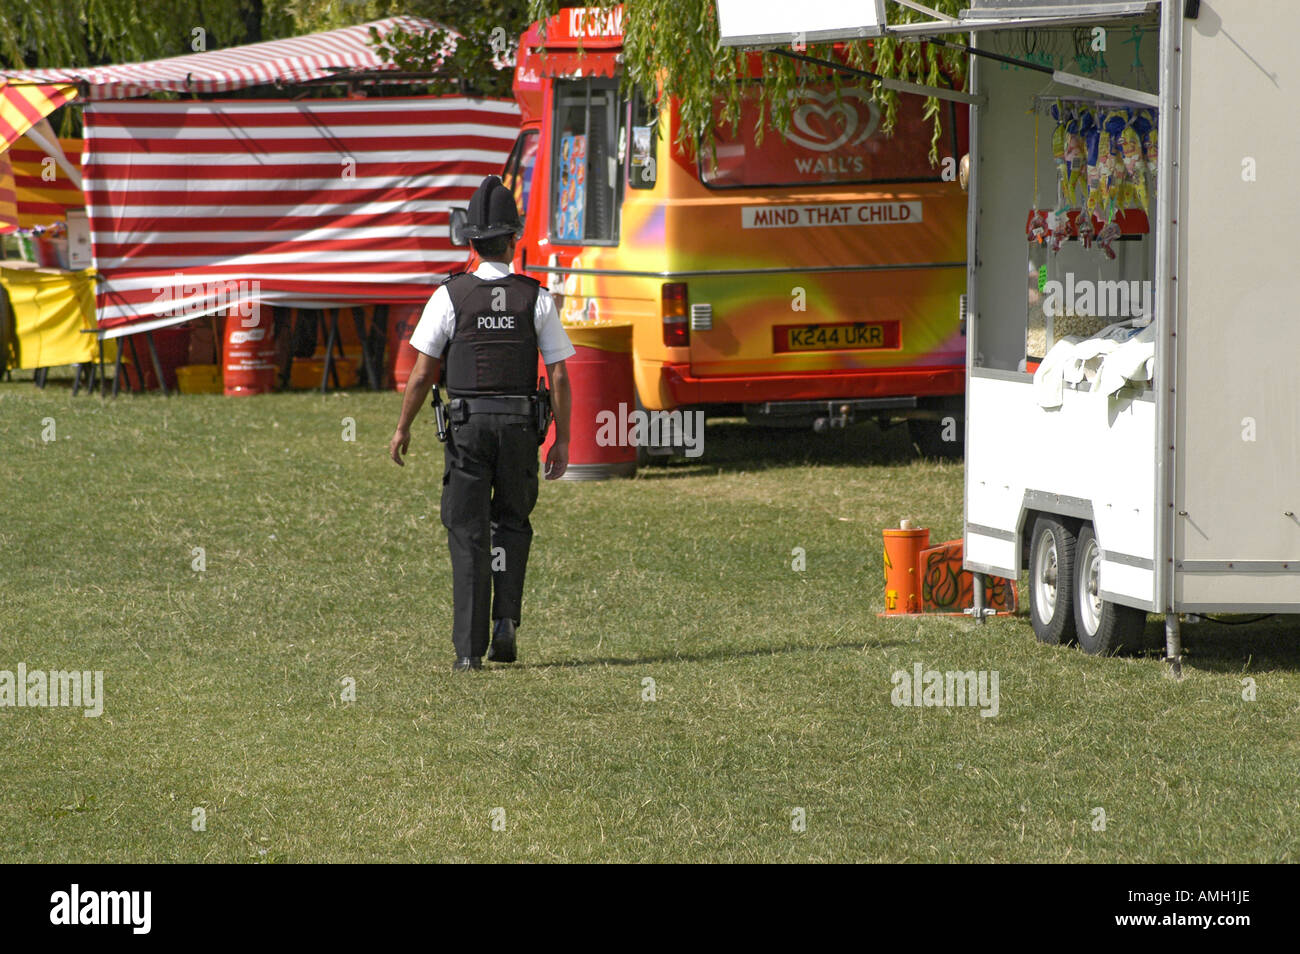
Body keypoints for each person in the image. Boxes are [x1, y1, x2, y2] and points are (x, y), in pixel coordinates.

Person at [389, 176, 574, 672]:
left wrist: (403, 427)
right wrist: (563, 440)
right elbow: (557, 373)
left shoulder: (449, 297)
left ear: (470, 240)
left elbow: (423, 372)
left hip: (468, 432)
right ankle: (505, 625)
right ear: (514, 239)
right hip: (520, 429)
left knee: (468, 532)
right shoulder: (536, 299)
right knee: (512, 525)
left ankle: (469, 651)